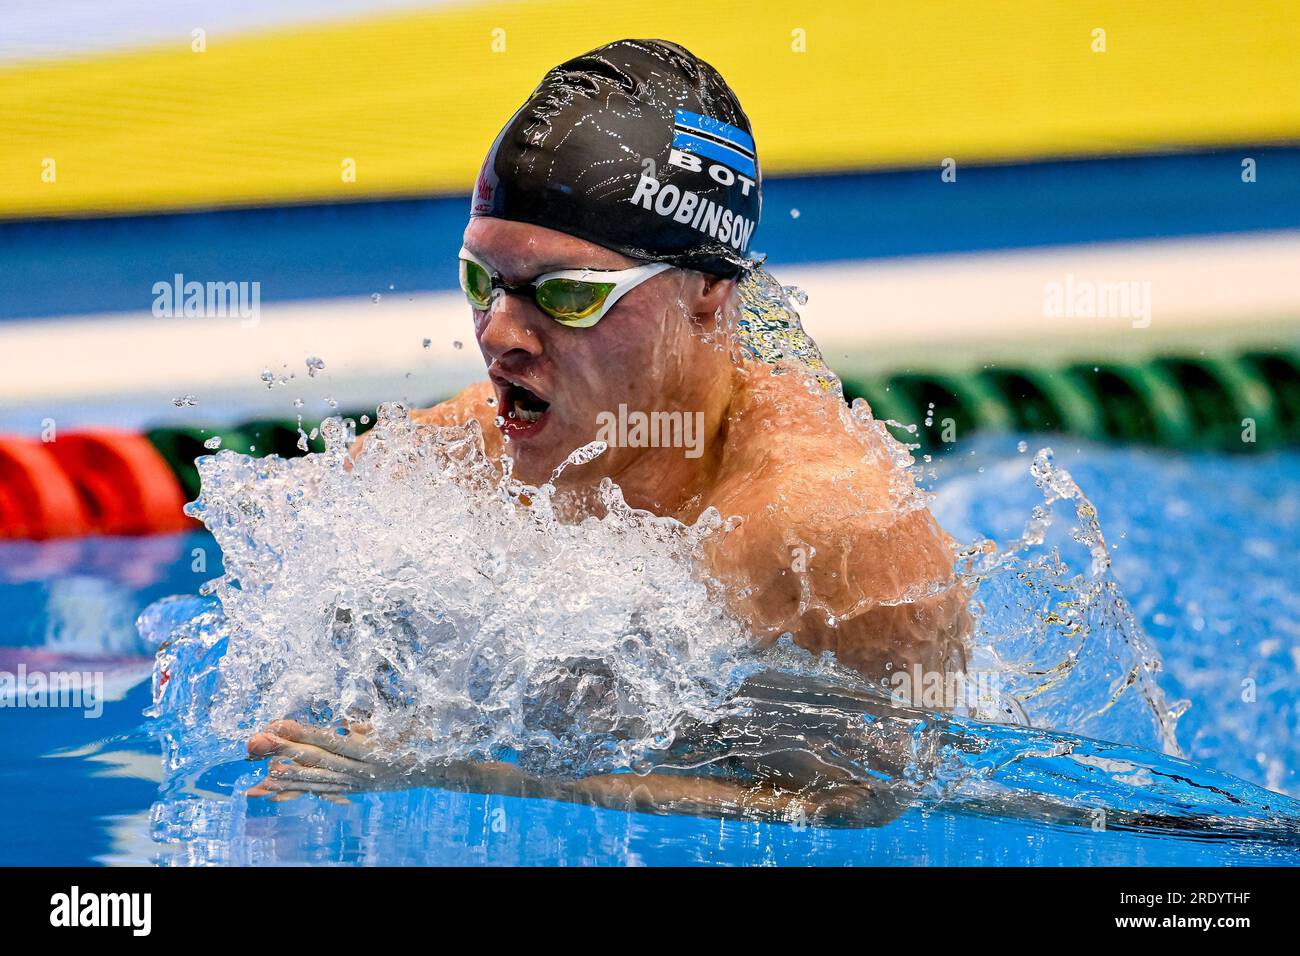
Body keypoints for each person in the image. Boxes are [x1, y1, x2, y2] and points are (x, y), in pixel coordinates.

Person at [248, 39, 970, 824]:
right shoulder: (450, 462)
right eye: (480, 282)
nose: (499, 334)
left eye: (565, 295)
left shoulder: (831, 532)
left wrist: (474, 775)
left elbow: (876, 803)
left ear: (706, 293)